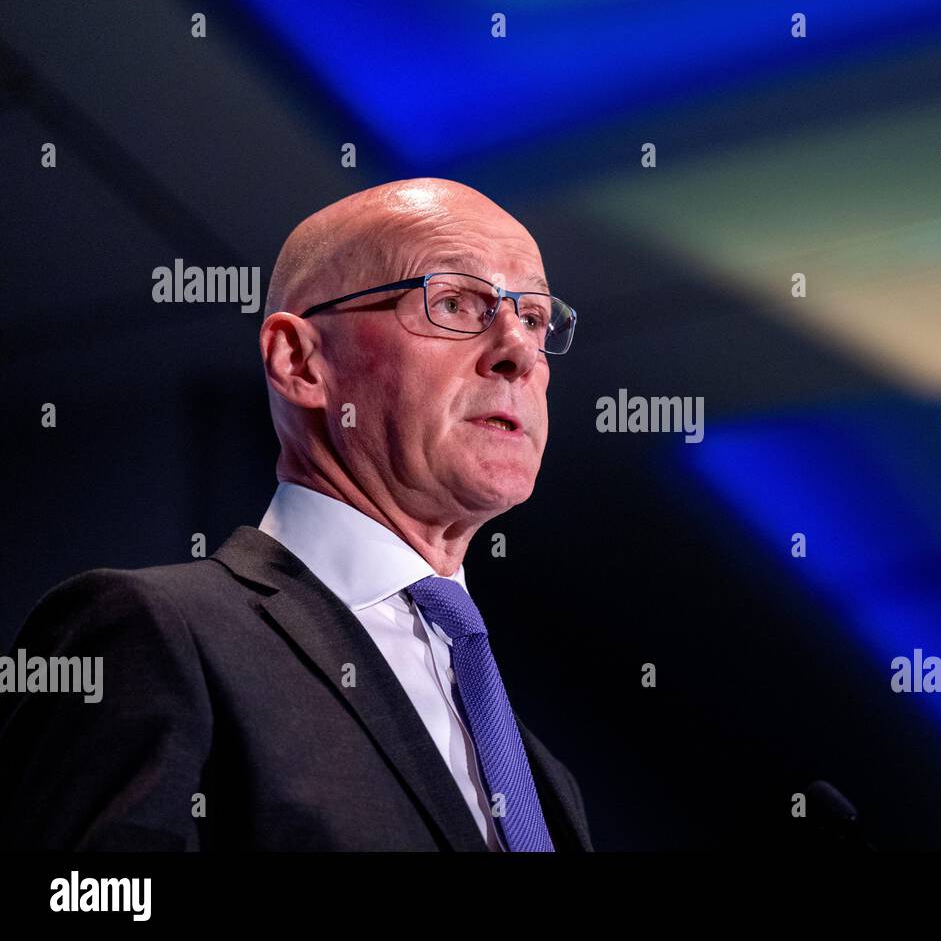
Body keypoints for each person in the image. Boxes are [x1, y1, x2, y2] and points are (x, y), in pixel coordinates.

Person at [0, 178, 589, 851]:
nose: (518, 350)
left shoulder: (543, 778)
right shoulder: (155, 633)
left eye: (536, 318)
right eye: (455, 301)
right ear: (300, 362)